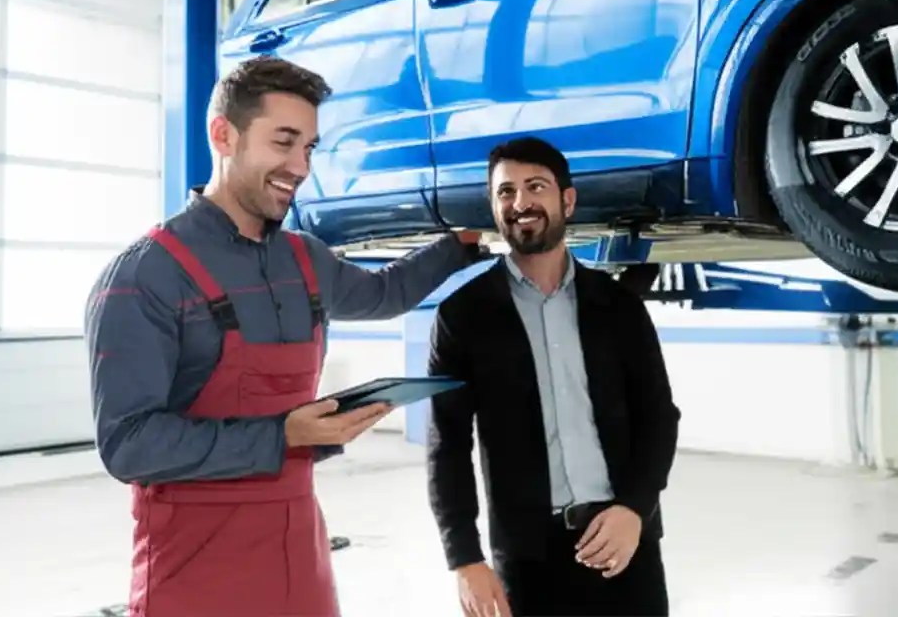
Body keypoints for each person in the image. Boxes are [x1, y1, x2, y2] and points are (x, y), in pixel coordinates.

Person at [84, 55, 484, 617]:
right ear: (224, 135)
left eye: (310, 148)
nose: (300, 166)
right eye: (284, 142)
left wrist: (461, 245)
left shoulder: (304, 259)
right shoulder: (144, 276)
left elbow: (384, 295)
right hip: (195, 572)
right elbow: (128, 444)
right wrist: (283, 435)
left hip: (301, 561)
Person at [425, 136, 681, 617]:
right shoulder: (463, 316)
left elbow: (659, 417)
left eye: (535, 187)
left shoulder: (617, 305)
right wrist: (464, 559)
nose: (520, 203)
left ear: (566, 200)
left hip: (623, 543)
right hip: (528, 561)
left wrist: (635, 509)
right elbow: (448, 447)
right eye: (506, 192)